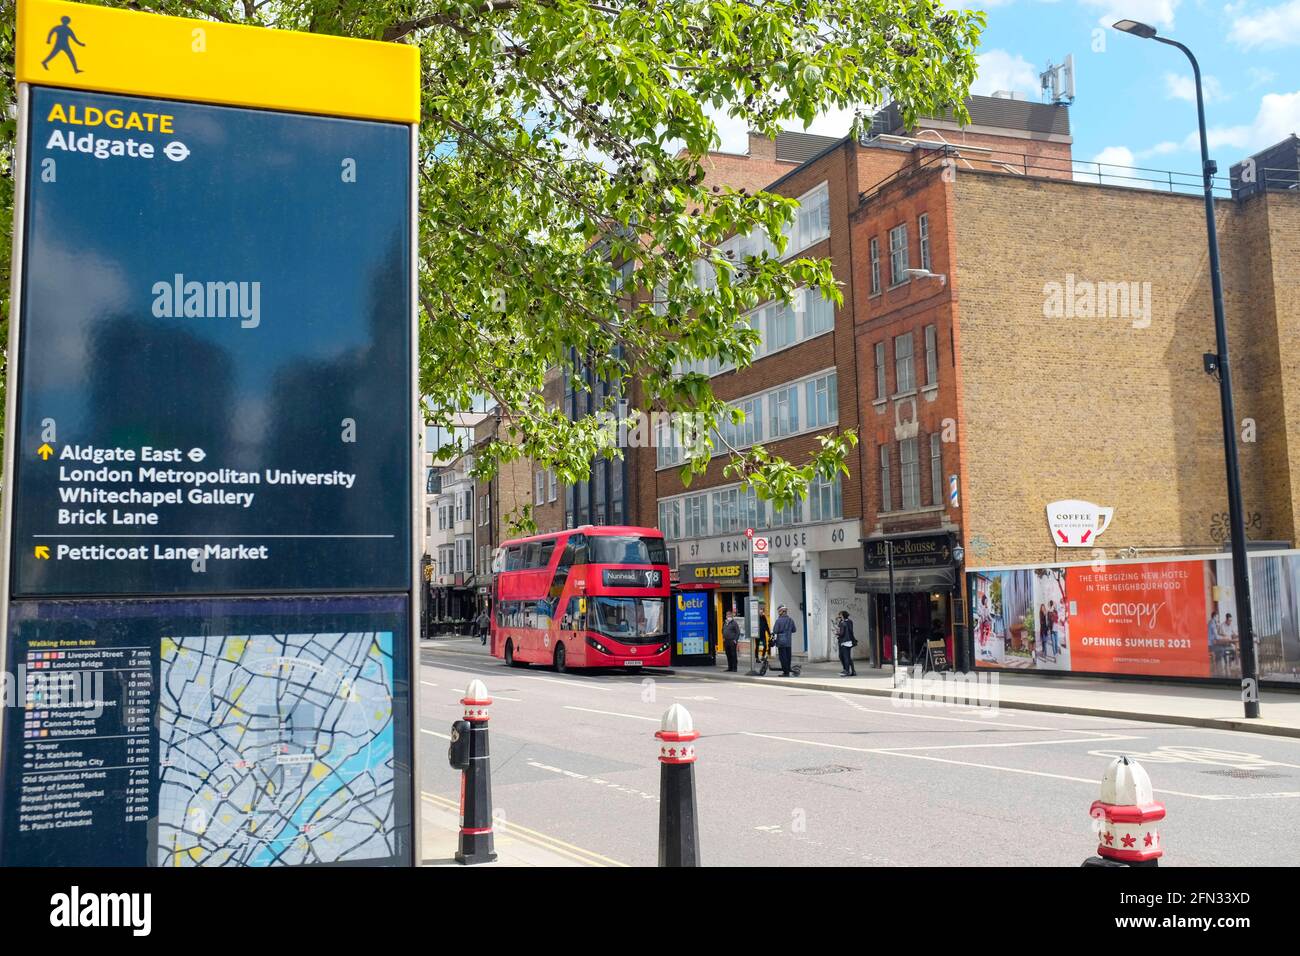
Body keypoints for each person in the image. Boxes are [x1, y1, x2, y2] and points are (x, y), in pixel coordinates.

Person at [772, 604, 797, 676]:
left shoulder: (778, 621)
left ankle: (785, 672)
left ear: (781, 611)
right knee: (788, 657)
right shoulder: (791, 620)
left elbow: (775, 631)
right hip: (789, 642)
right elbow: (794, 630)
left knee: (783, 658)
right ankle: (788, 670)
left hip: (781, 642)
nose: (778, 612)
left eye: (778, 611)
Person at [836, 610, 857, 677]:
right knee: (846, 657)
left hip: (844, 642)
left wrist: (837, 633)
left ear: (842, 616)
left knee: (844, 657)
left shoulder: (844, 623)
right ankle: (852, 671)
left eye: (840, 615)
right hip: (848, 641)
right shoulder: (848, 622)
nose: (839, 617)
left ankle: (846, 670)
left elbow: (842, 633)